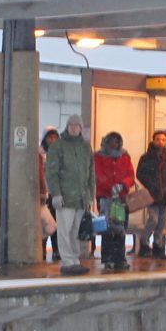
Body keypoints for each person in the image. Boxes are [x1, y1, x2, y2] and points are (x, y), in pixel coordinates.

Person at [45, 115, 96, 275]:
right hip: (65, 198)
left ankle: (74, 259)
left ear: (81, 128)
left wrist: (91, 195)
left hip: (81, 198)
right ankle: (67, 261)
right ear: (67, 127)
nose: (73, 127)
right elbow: (51, 172)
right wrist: (56, 194)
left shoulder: (86, 148)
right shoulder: (58, 146)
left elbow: (91, 174)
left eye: (77, 125)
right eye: (70, 124)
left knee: (75, 231)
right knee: (64, 230)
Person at [93, 131, 135, 273]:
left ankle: (119, 258)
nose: (114, 144)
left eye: (117, 141)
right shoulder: (98, 156)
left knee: (121, 228)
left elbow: (130, 174)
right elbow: (97, 175)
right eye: (112, 141)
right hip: (105, 197)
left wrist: (123, 184)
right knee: (107, 228)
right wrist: (110, 186)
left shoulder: (125, 156)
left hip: (121, 198)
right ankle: (108, 258)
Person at [134, 130, 166, 258]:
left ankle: (158, 246)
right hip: (153, 193)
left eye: (163, 139)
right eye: (158, 139)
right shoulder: (146, 157)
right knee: (153, 219)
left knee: (162, 222)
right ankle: (144, 242)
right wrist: (151, 186)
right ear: (153, 140)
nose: (160, 142)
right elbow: (139, 174)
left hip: (165, 193)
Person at [39, 127, 60, 262]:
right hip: (45, 193)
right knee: (45, 223)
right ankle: (42, 251)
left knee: (56, 224)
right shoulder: (40, 153)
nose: (52, 140)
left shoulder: (60, 153)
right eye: (49, 137)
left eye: (54, 137)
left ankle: (56, 250)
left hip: (56, 192)